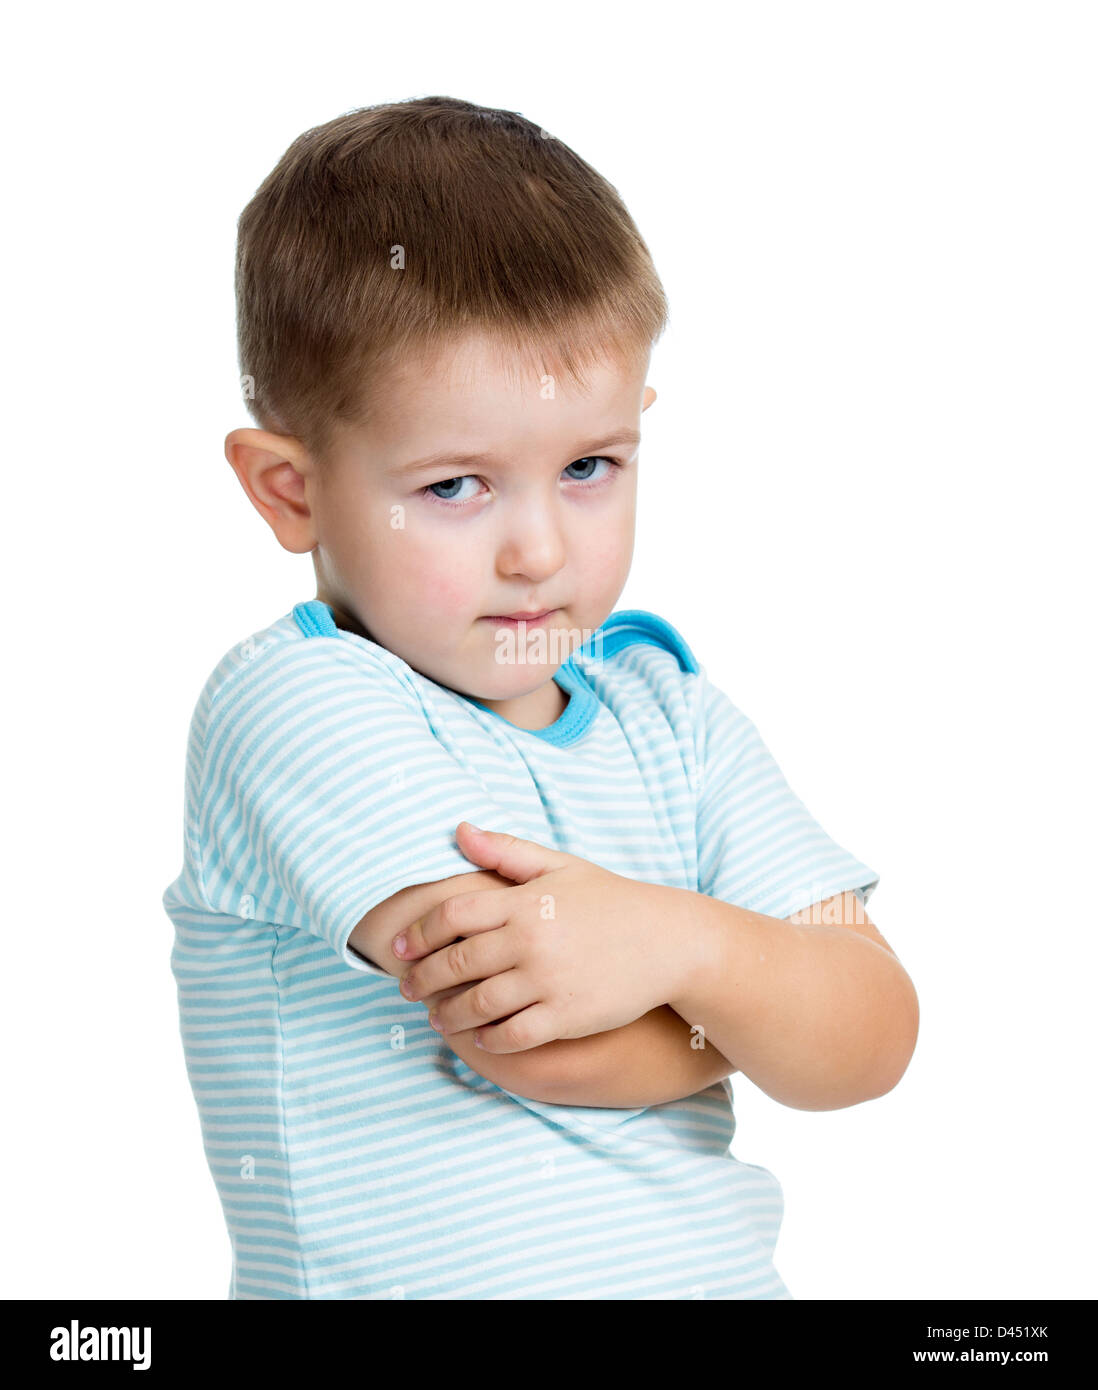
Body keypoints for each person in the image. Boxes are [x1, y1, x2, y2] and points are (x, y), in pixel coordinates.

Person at [162, 95, 918, 1300]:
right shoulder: (299, 699)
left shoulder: (674, 719)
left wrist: (680, 938)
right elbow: (529, 1033)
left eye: (587, 467)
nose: (539, 552)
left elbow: (870, 1032)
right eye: (457, 484)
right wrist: (750, 1007)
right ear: (290, 490)